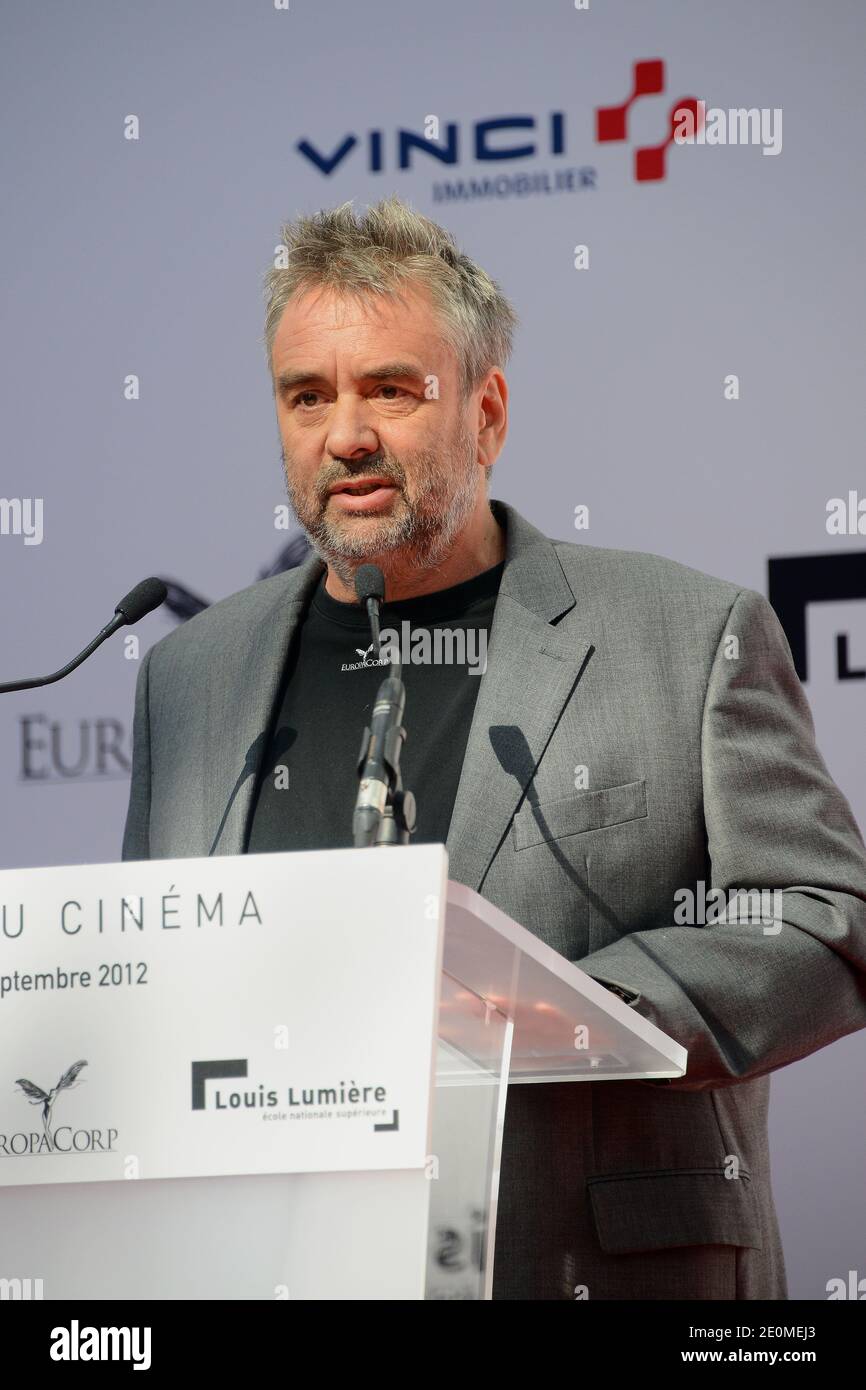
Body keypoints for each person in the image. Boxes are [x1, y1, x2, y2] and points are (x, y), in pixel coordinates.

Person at [122, 195, 866, 1300]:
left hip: (583, 1265)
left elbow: (825, 920)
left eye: (389, 387)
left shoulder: (681, 633)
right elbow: (156, 971)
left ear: (487, 410)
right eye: (306, 395)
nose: (344, 433)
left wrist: (595, 1010)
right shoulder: (193, 673)